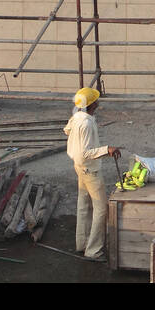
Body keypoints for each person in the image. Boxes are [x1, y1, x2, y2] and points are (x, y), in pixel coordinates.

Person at [62, 86, 120, 262]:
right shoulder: (86, 123)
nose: (98, 101)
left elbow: (67, 130)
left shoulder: (77, 117)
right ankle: (94, 250)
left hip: (79, 167)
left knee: (83, 205)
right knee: (101, 209)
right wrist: (106, 150)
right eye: (96, 99)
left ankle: (82, 243)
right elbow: (85, 153)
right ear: (92, 104)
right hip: (89, 169)